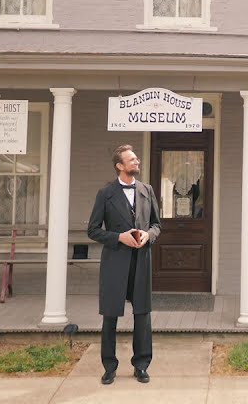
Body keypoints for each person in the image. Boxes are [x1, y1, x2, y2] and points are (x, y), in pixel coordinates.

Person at [88, 144, 161, 385]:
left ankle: (141, 365)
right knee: (110, 316)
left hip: (141, 261)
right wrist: (118, 237)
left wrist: (148, 235)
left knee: (143, 314)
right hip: (115, 262)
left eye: (136, 158)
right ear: (120, 165)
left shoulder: (147, 190)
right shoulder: (105, 193)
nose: (137, 162)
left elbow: (157, 225)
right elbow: (93, 230)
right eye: (132, 159)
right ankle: (109, 366)